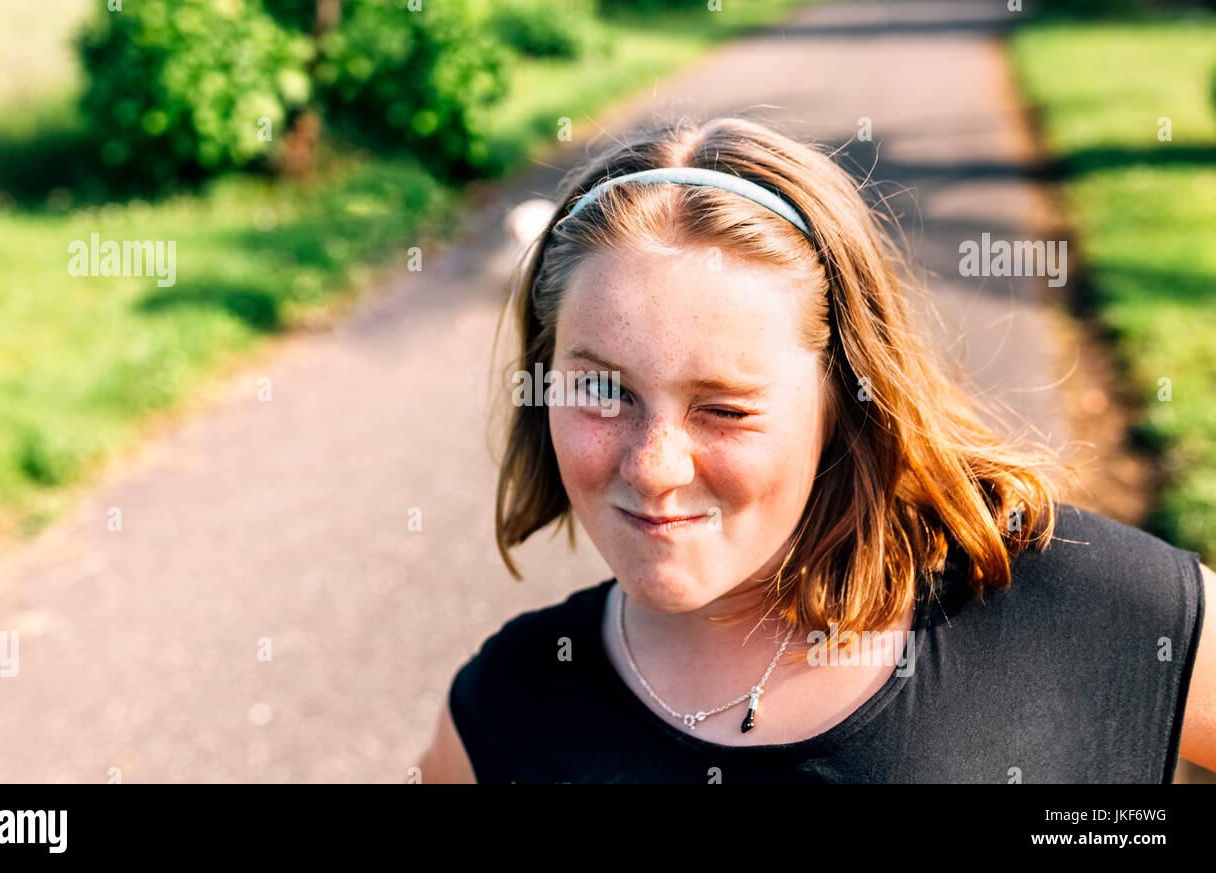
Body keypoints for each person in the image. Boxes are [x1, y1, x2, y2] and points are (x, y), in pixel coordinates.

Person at [416, 115, 1215, 783]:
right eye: (602, 392)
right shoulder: (507, 709)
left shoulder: (1073, 606)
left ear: (846, 398)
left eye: (724, 409)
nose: (654, 465)